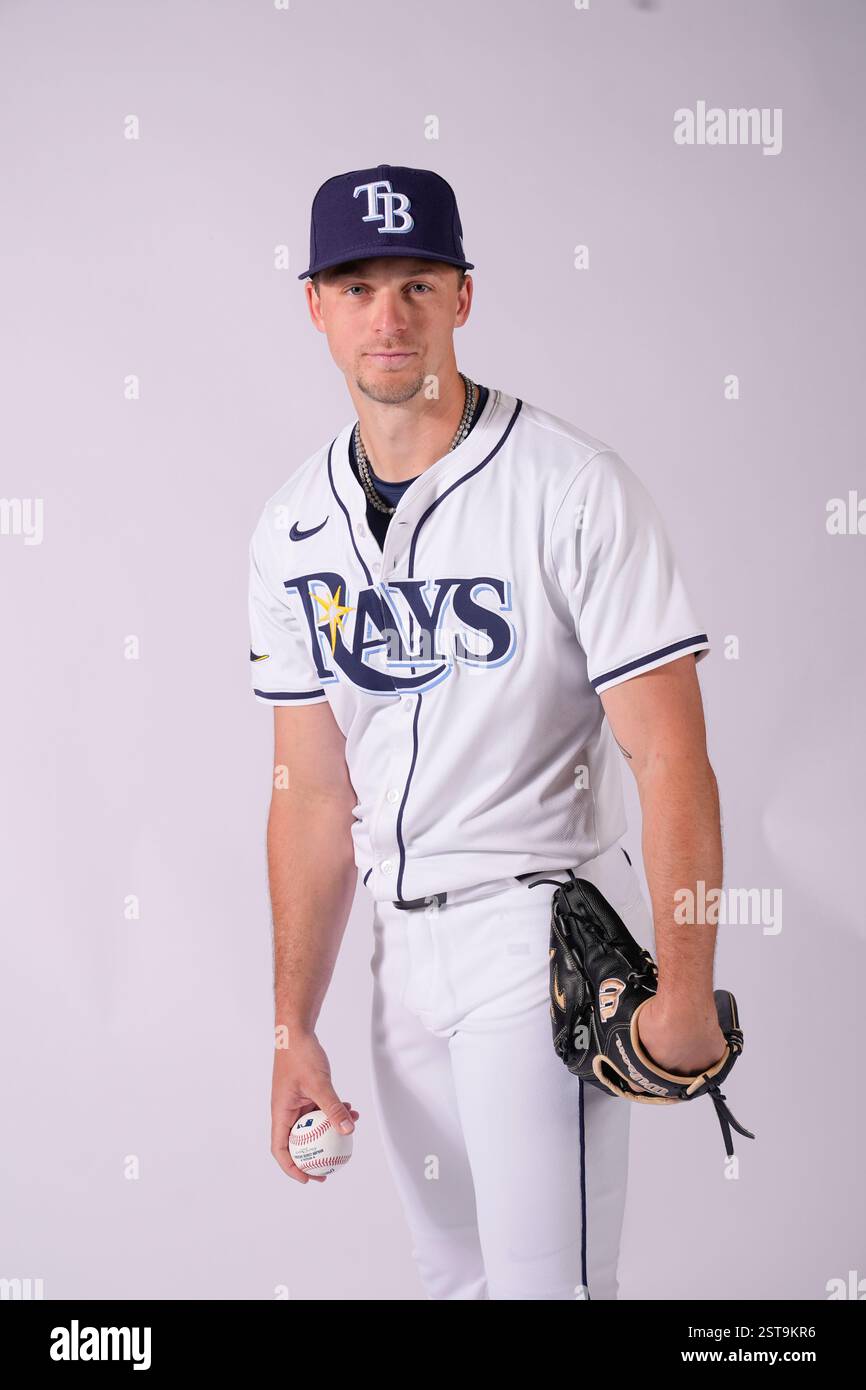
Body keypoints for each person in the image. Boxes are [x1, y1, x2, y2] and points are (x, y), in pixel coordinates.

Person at [248, 163, 724, 1300]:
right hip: (394, 958)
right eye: (356, 286)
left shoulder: (570, 488)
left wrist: (690, 984)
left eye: (416, 282)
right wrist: (290, 1027)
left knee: (538, 1291)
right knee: (451, 1281)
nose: (387, 315)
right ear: (314, 305)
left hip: (536, 942)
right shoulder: (288, 525)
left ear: (463, 296)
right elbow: (312, 794)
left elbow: (668, 753)